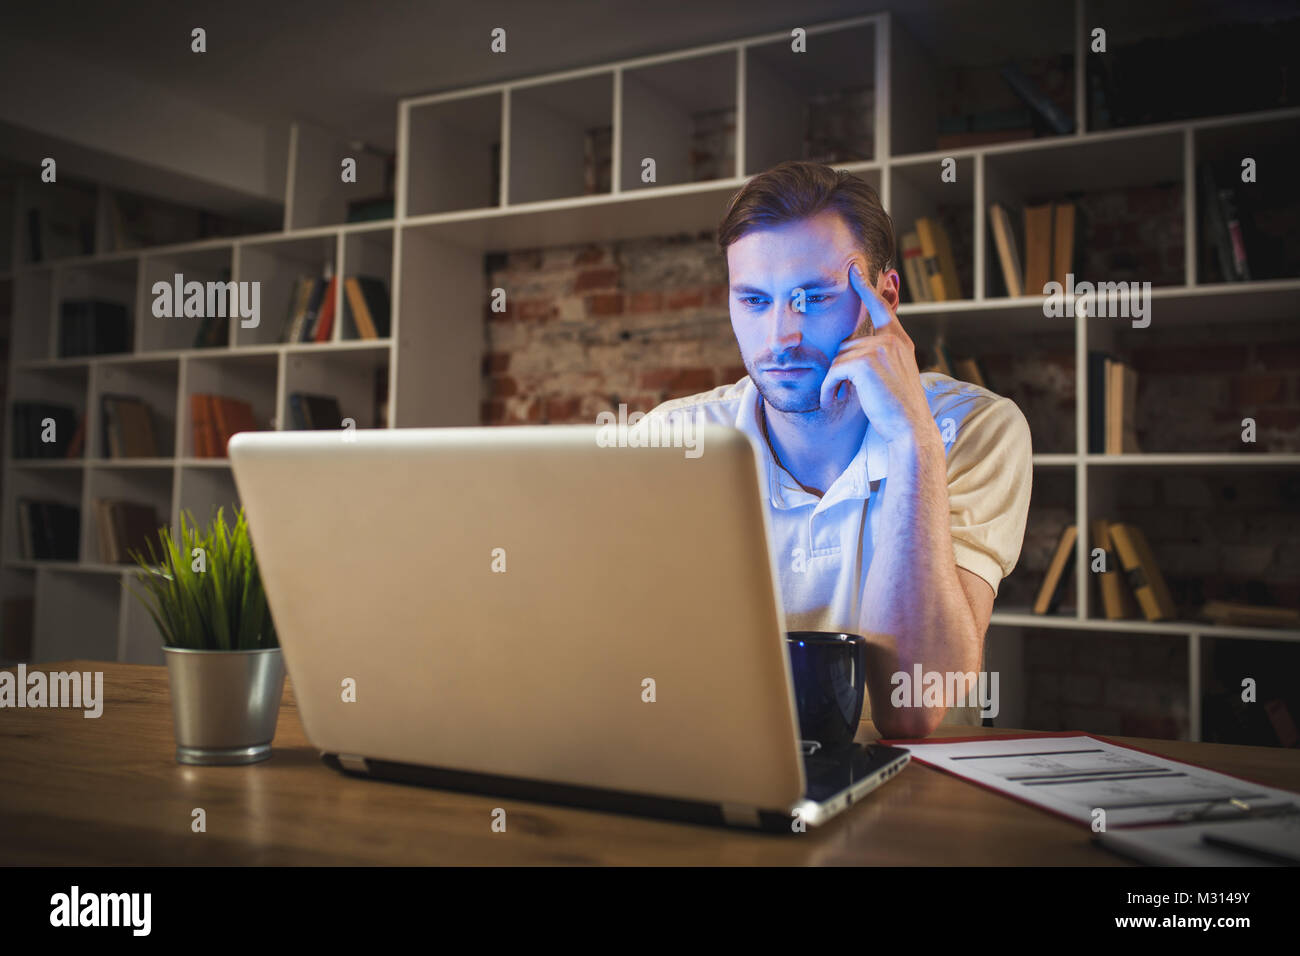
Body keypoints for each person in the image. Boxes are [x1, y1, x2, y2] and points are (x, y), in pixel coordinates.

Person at [642, 160, 1033, 738]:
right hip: (723, 763)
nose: (780, 337)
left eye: (813, 298)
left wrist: (913, 441)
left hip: (917, 789)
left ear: (886, 296)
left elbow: (913, 706)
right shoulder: (670, 442)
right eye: (753, 301)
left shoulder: (973, 429)